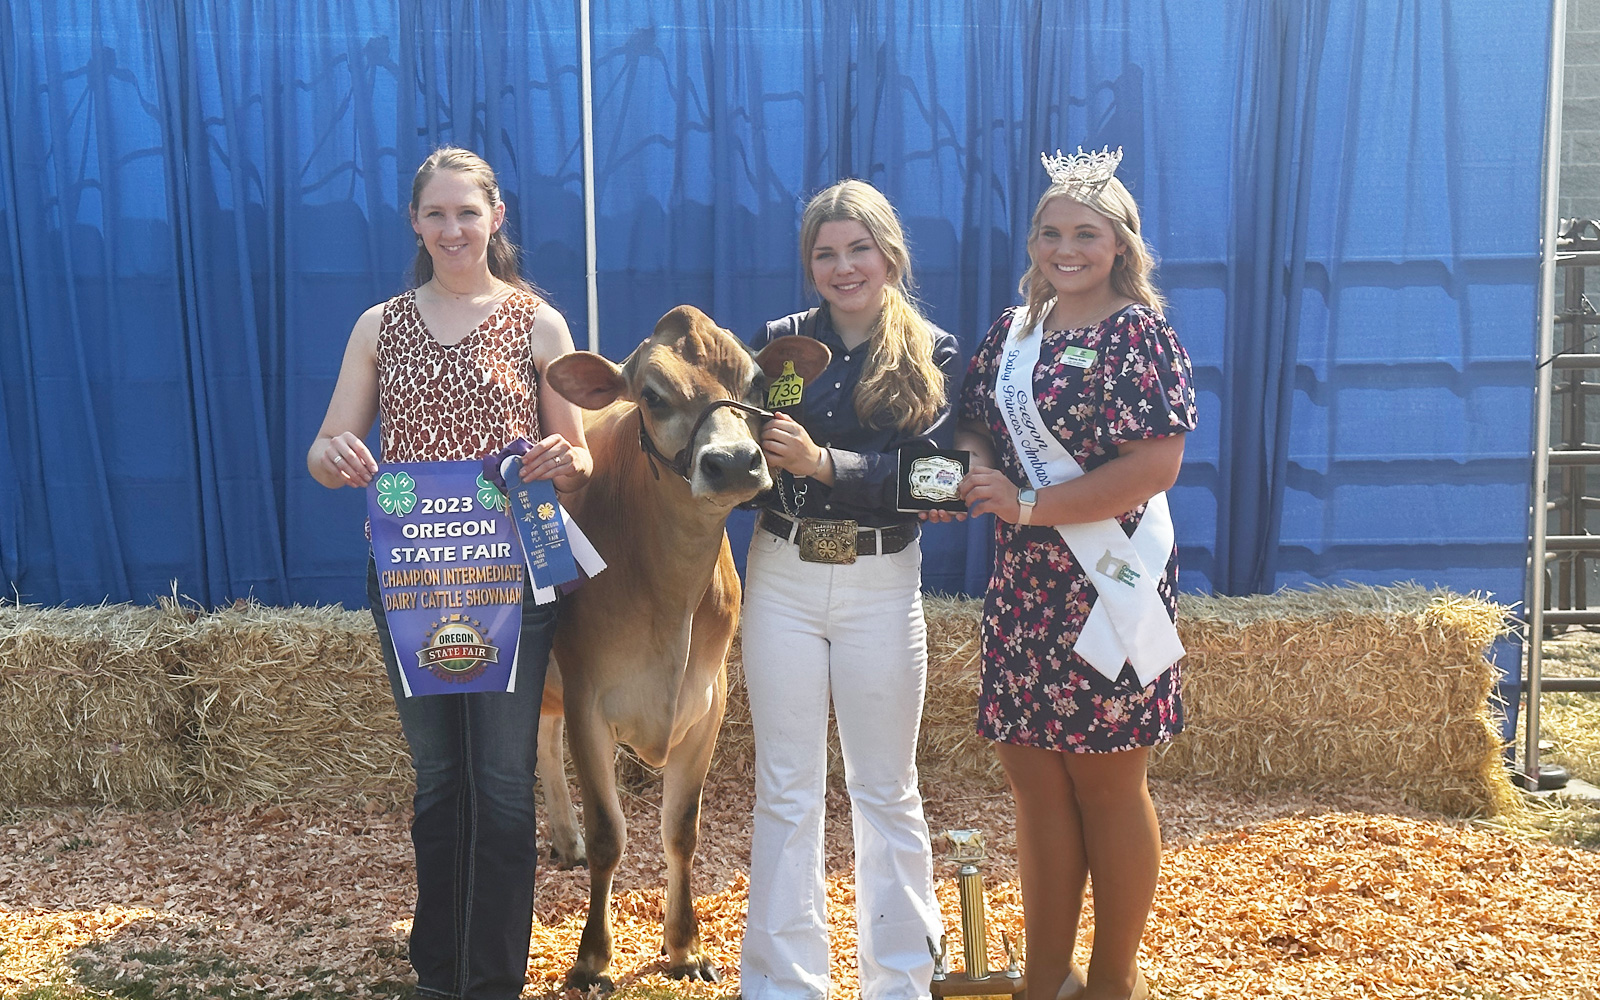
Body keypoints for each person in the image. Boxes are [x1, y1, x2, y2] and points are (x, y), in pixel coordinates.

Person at [306, 146, 591, 1000]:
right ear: (416, 223)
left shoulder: (538, 323)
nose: (453, 228)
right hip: (413, 575)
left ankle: (495, 976)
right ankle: (440, 971)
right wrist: (339, 455)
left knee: (503, 781)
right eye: (436, 213)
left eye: (468, 212)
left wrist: (559, 458)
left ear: (495, 218)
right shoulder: (379, 325)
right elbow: (324, 451)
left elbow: (578, 457)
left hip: (512, 576)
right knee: (440, 781)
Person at [949, 148, 1196, 1000]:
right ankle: (1046, 976)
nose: (1065, 248)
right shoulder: (1015, 331)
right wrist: (978, 470)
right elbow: (976, 421)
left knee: (1106, 781)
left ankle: (1112, 983)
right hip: (1026, 585)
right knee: (1033, 780)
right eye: (1051, 232)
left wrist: (1023, 506)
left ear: (1120, 243)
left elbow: (1153, 466)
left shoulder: (1140, 334)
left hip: (1108, 584)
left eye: (1085, 233)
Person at [739, 179, 959, 1000]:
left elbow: (938, 481)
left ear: (889, 255)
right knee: (787, 785)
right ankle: (781, 984)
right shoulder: (783, 348)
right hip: (785, 575)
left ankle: (899, 982)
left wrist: (829, 465)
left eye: (858, 249)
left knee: (884, 786)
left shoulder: (931, 351)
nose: (843, 267)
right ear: (810, 266)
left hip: (880, 582)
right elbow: (762, 454)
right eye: (826, 253)